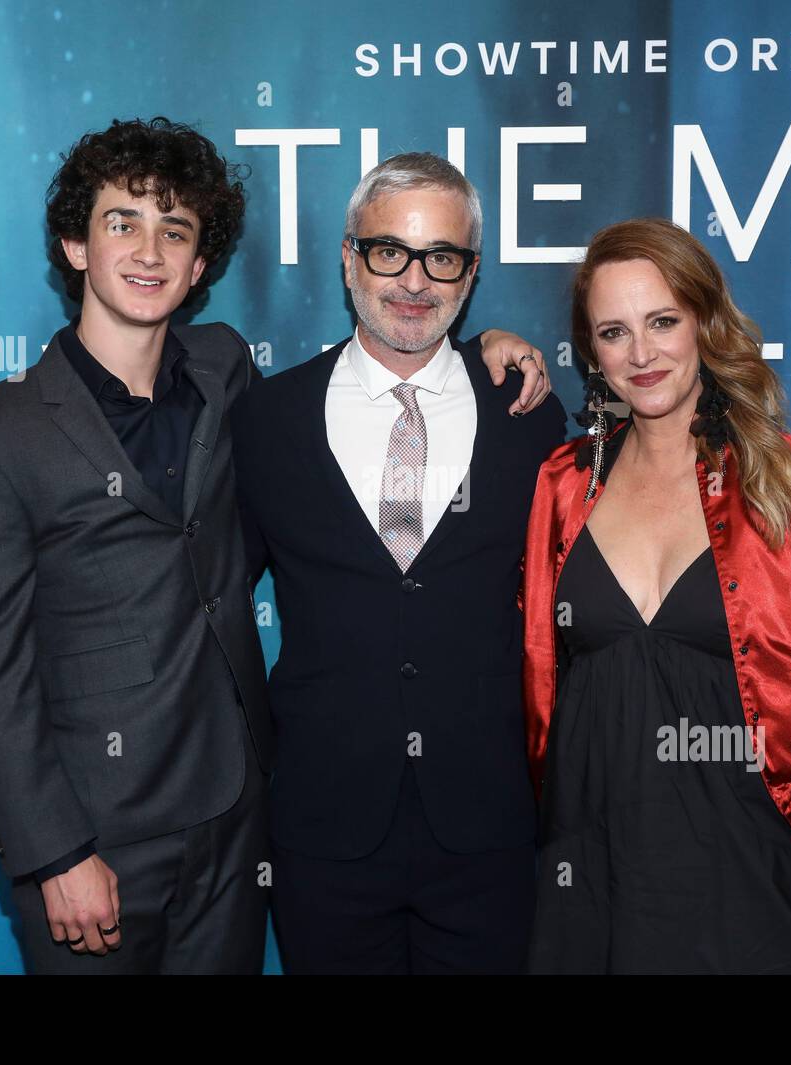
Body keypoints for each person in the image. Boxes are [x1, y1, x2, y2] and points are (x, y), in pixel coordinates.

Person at [0, 118, 549, 974]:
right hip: (96, 835)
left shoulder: (229, 380)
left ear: (198, 265)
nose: (149, 251)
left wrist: (487, 349)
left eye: (175, 231)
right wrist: (54, 852)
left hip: (235, 824)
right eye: (122, 224)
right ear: (75, 243)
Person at [520, 217, 791, 974]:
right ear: (590, 352)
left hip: (772, 869)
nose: (642, 353)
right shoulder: (563, 483)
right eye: (614, 331)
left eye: (663, 321)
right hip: (605, 873)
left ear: (703, 321)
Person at [231, 153, 568, 974]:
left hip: (488, 831)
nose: (414, 280)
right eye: (390, 251)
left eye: (441, 257)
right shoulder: (268, 418)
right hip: (323, 831)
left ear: (470, 273)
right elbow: (212, 598)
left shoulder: (529, 413)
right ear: (349, 258)